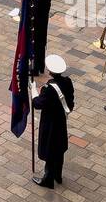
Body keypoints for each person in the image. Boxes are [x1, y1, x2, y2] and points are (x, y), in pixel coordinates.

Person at [31, 54, 74, 189]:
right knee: (59, 147)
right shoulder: (67, 82)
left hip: (50, 122)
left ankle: (48, 178)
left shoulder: (49, 89)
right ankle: (57, 175)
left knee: (50, 147)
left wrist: (33, 92)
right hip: (61, 120)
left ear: (50, 71)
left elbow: (38, 104)